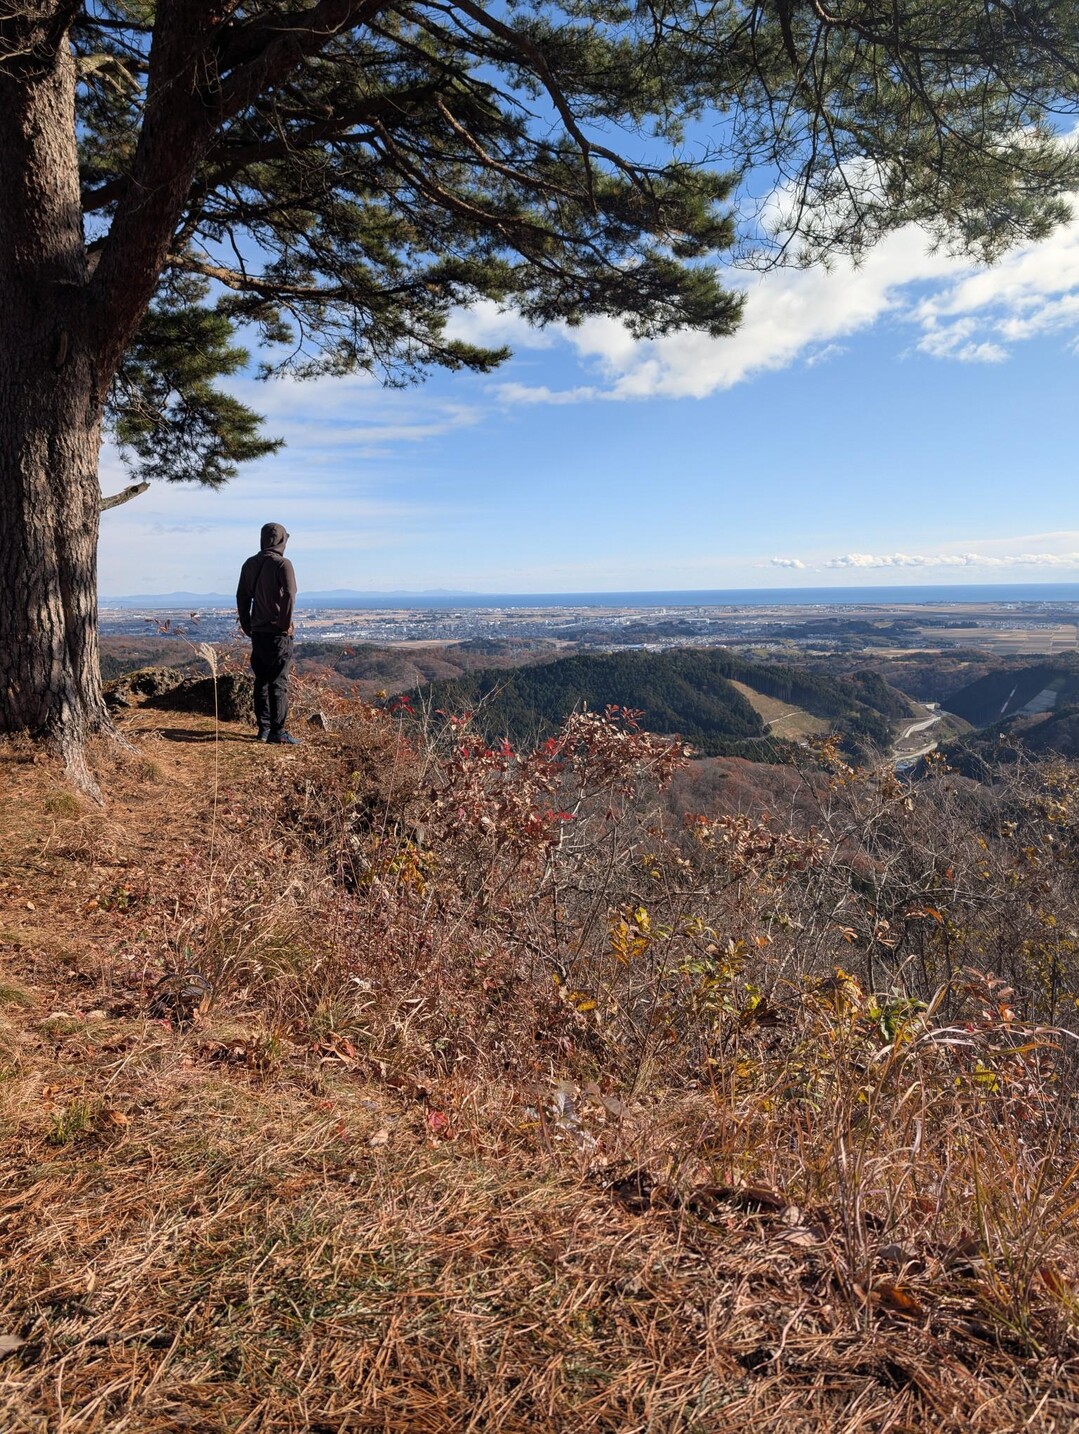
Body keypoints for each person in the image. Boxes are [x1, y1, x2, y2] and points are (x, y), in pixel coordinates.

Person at [236, 522, 300, 744]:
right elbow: (290, 594)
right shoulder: (283, 564)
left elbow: (242, 596)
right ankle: (278, 731)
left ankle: (263, 729)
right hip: (277, 633)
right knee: (278, 681)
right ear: (282, 540)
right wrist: (284, 624)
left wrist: (247, 624)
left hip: (258, 632)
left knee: (261, 680)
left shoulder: (249, 564)